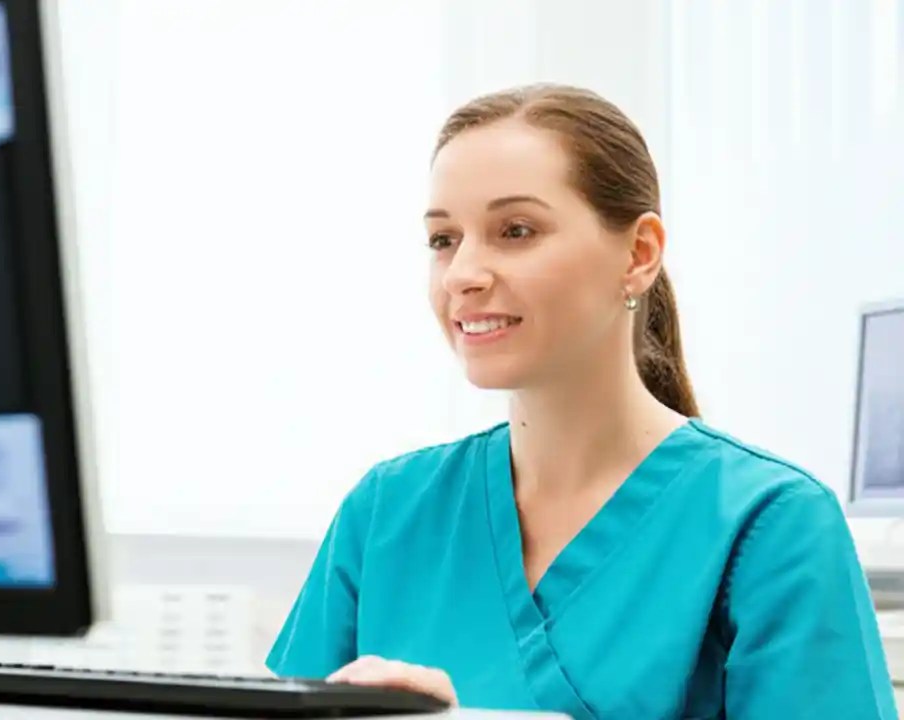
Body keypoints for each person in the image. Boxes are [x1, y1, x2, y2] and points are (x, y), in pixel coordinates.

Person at [266, 83, 898, 719]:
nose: (463, 273)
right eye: (443, 240)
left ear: (639, 253)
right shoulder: (386, 513)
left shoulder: (769, 525)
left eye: (515, 231)